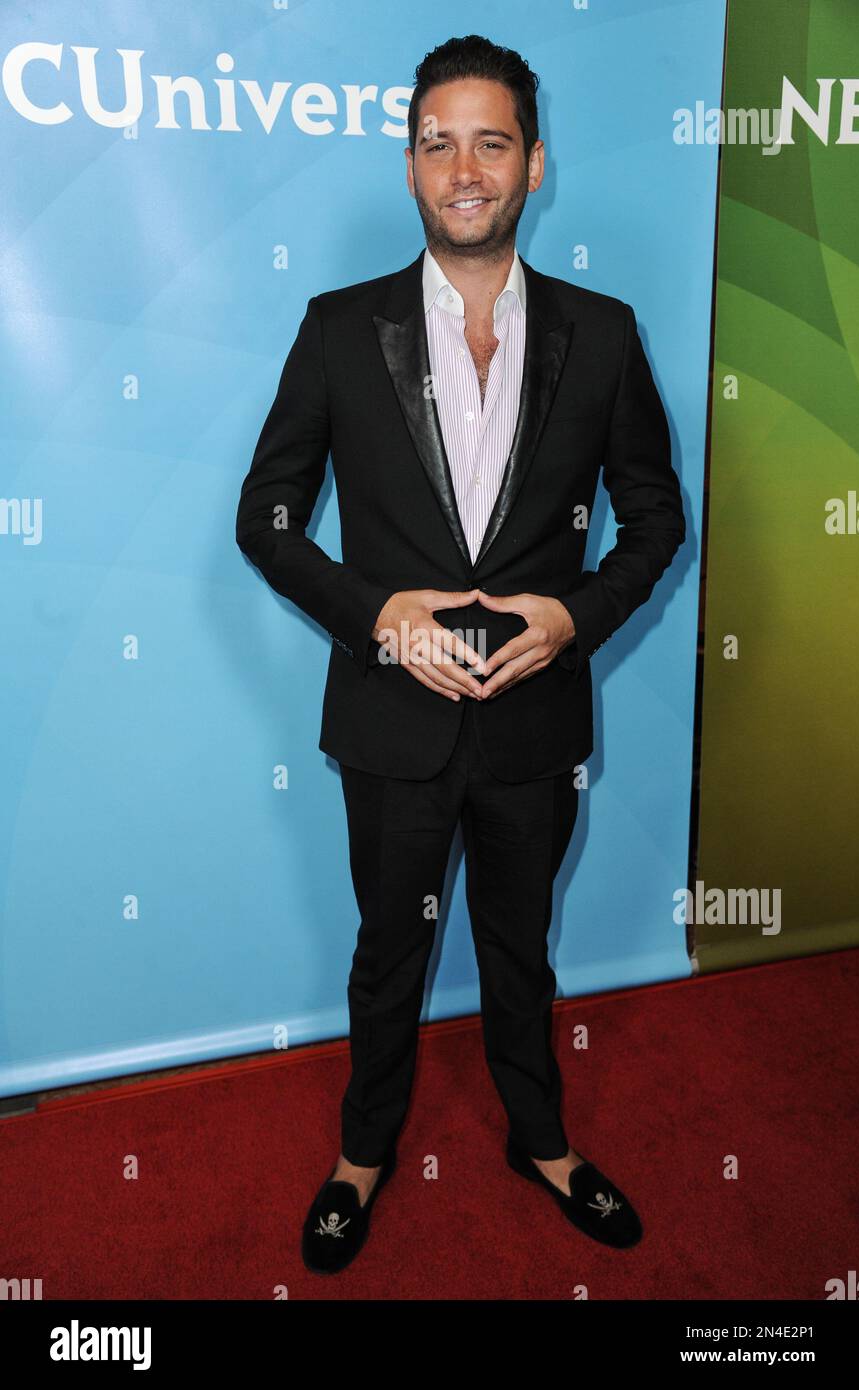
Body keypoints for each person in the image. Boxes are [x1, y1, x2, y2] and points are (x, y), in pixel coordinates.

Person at [236, 33, 686, 1275]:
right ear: (411, 168)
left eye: (490, 140)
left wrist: (572, 619)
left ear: (533, 164)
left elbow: (655, 518)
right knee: (388, 948)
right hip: (391, 717)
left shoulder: (601, 333)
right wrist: (380, 616)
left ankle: (537, 1137)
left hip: (535, 721)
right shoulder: (339, 328)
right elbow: (264, 518)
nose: (463, 166)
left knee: (518, 944)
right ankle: (362, 1155)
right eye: (438, 142)